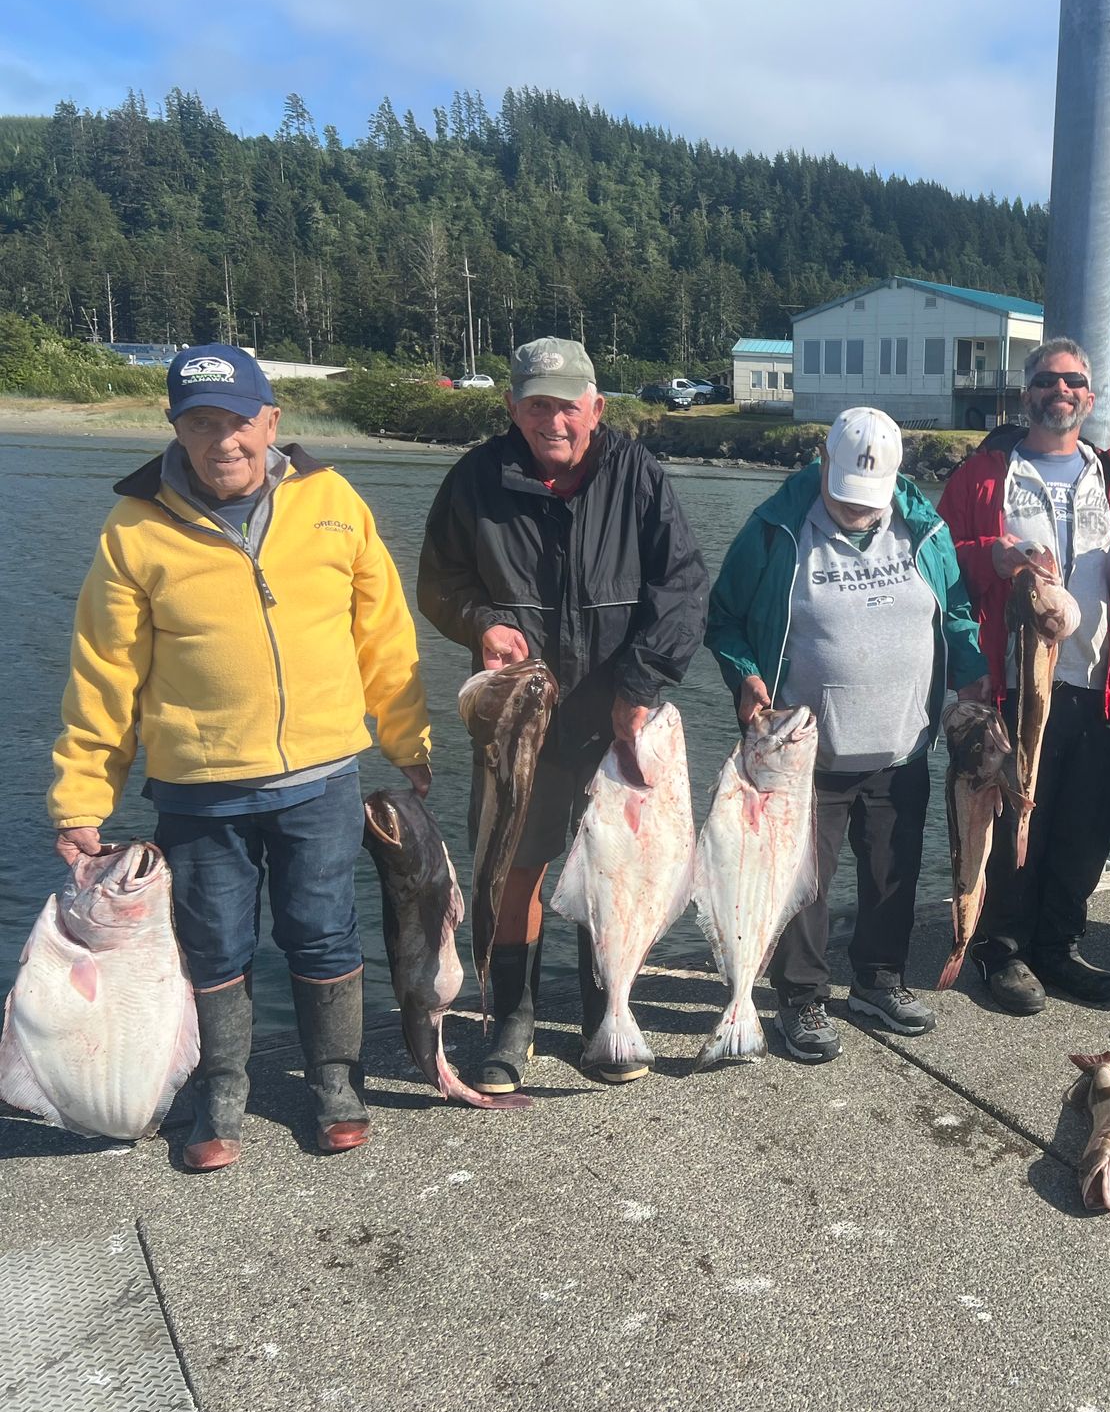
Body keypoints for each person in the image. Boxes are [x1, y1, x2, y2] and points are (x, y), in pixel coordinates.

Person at [49, 343, 432, 1171]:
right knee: (213, 943)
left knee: (323, 932)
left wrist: (408, 740)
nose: (223, 440)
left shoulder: (333, 501)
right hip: (198, 788)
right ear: (176, 429)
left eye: (237, 420)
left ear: (272, 421)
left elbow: (384, 634)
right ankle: (220, 1093)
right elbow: (104, 673)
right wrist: (82, 797)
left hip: (320, 777)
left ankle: (337, 1082)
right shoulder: (134, 529)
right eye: (200, 422)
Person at [418, 338, 707, 1091]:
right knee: (517, 871)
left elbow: (682, 589)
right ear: (512, 407)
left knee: (613, 871)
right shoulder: (477, 478)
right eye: (536, 405)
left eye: (567, 406)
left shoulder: (637, 473)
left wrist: (638, 688)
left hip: (619, 715)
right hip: (521, 723)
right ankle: (510, 1022)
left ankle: (603, 1014)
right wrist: (480, 620)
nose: (553, 420)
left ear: (596, 409)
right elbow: (437, 584)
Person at [706, 407, 989, 1061]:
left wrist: (972, 677)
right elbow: (724, 621)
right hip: (807, 756)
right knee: (799, 884)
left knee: (893, 873)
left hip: (902, 745)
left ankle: (877, 978)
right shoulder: (776, 529)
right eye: (845, 495)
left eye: (871, 499)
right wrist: (744, 677)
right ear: (823, 461)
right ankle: (800, 996)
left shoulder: (926, 529)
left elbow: (958, 616)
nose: (858, 509)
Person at [938, 338, 1110, 1015]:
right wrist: (993, 556)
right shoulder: (983, 476)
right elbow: (937, 563)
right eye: (1045, 380)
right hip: (1010, 688)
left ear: (1089, 400)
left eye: (1073, 382)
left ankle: (1059, 945)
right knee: (1009, 827)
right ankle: (1000, 950)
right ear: (1026, 391)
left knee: (1084, 826)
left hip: (1098, 691)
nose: (1058, 390)